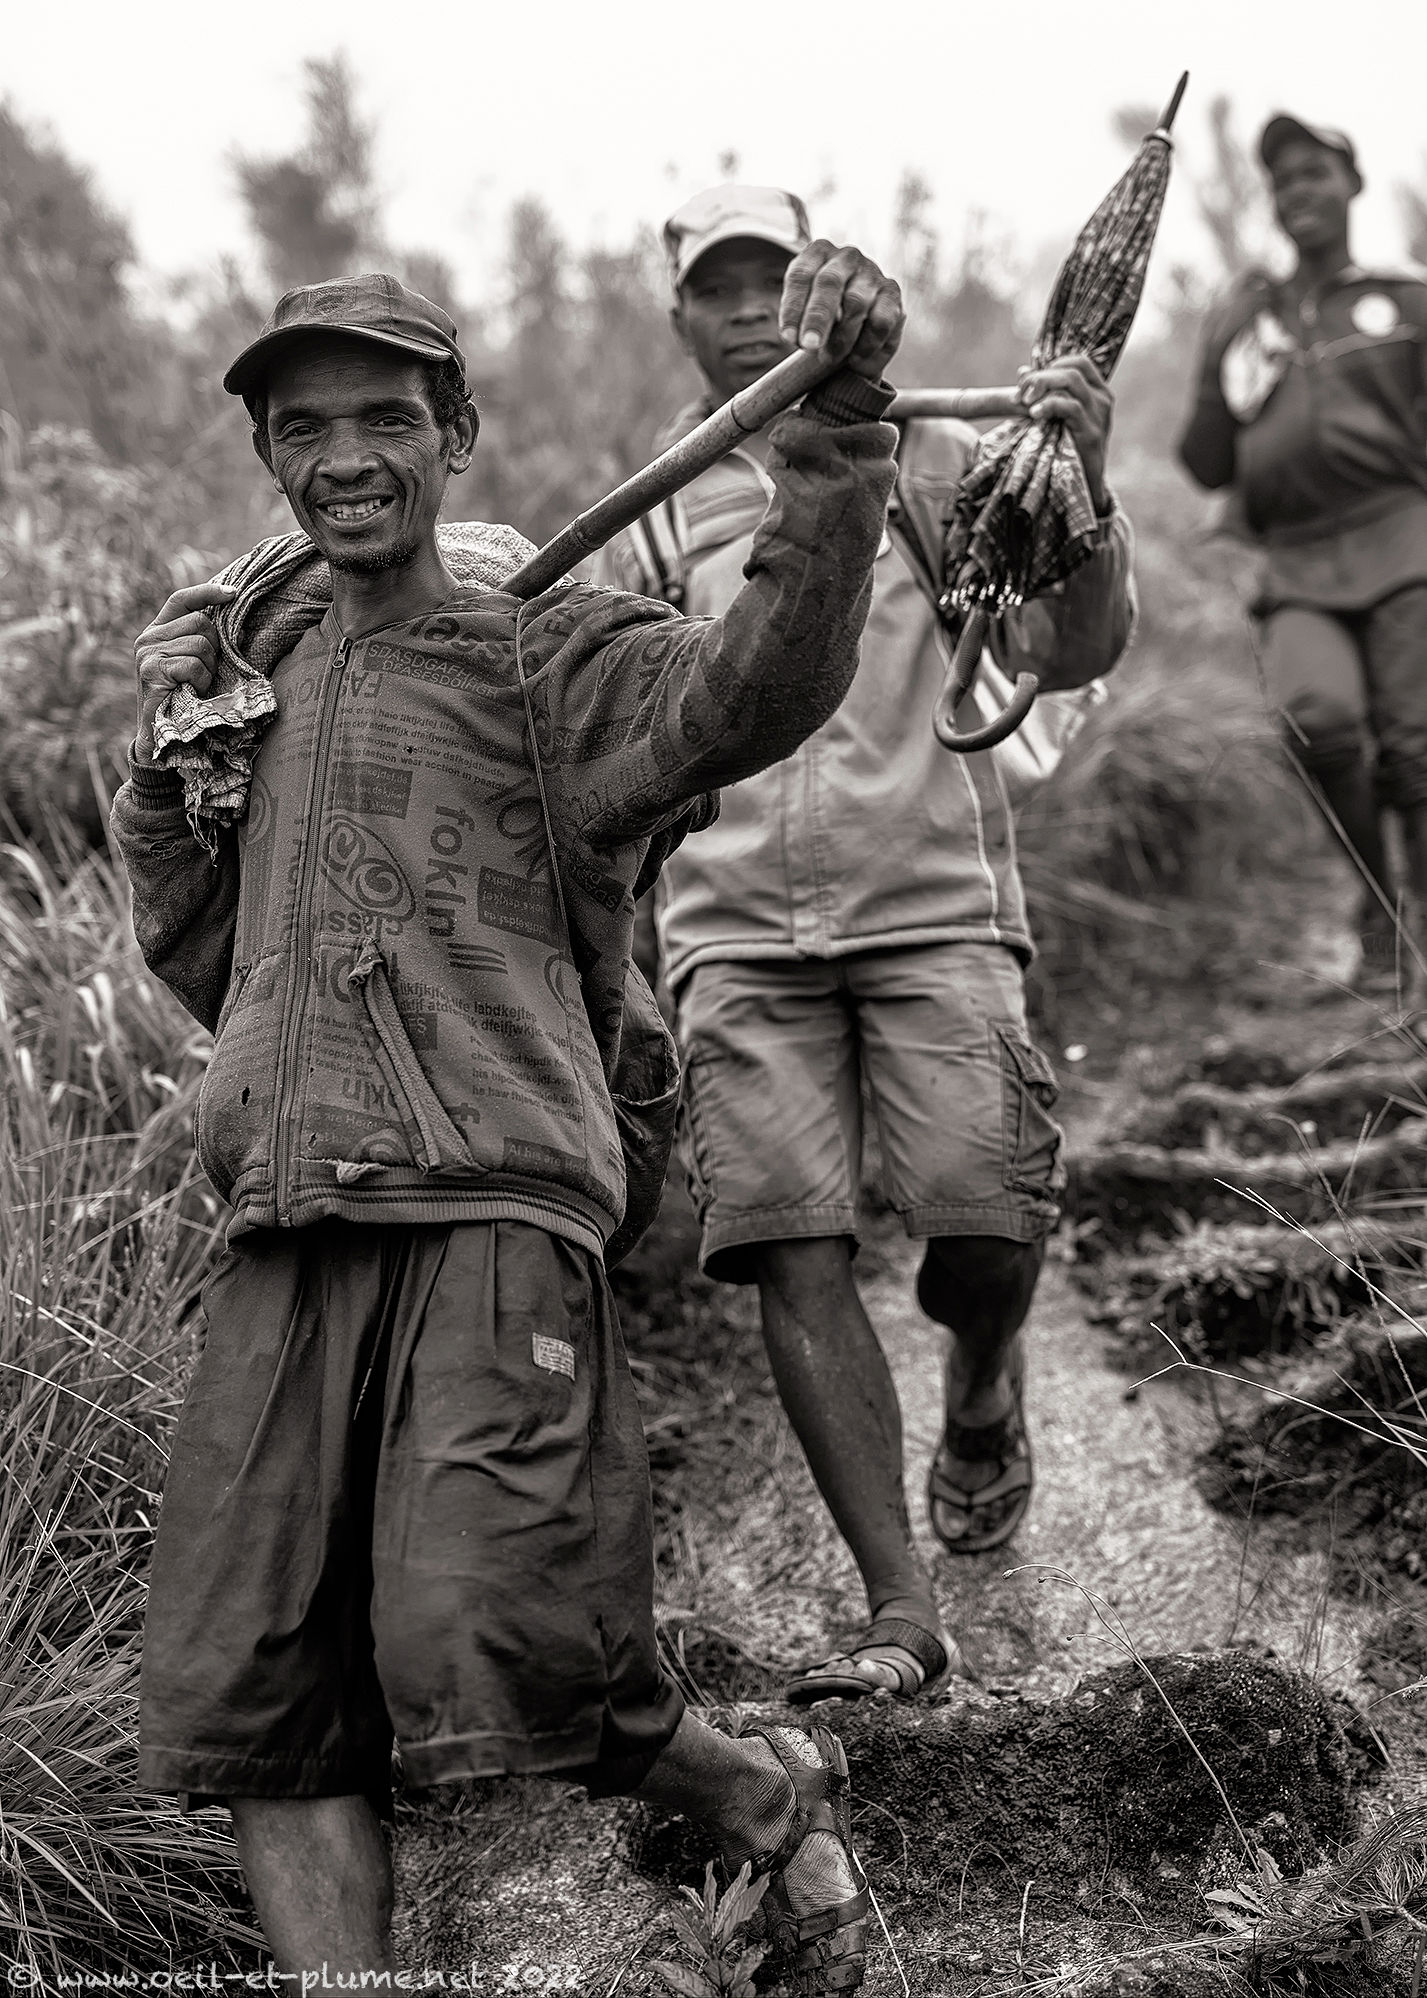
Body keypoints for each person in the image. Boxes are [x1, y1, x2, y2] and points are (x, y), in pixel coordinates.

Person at [112, 257, 907, 1989]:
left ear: (453, 435)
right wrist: (167, 765)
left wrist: (835, 440)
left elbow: (749, 692)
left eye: (385, 418)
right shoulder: (264, 669)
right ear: (267, 452)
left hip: (488, 1195)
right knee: (264, 1695)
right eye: (302, 426)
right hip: (285, 1218)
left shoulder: (542, 642)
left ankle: (757, 1793)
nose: (344, 456)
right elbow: (204, 953)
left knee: (503, 1640)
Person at [597, 186, 1135, 1705]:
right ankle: (898, 1603)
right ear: (679, 313)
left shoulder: (938, 455)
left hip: (931, 901)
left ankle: (978, 1377)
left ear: (821, 293)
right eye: (717, 285)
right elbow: (621, 731)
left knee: (982, 1221)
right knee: (786, 1241)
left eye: (775, 275)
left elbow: (1070, 648)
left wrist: (1079, 468)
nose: (748, 305)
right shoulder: (657, 506)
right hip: (731, 931)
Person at [1178, 115, 1427, 999]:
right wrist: (1215, 348)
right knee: (1314, 721)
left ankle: (1415, 935)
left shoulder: (1404, 303)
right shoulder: (1252, 318)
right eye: (1281, 182)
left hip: (1404, 542)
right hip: (1294, 564)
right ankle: (1379, 912)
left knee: (1413, 746)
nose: (1297, 194)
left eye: (1315, 174)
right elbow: (1205, 462)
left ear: (1352, 185)